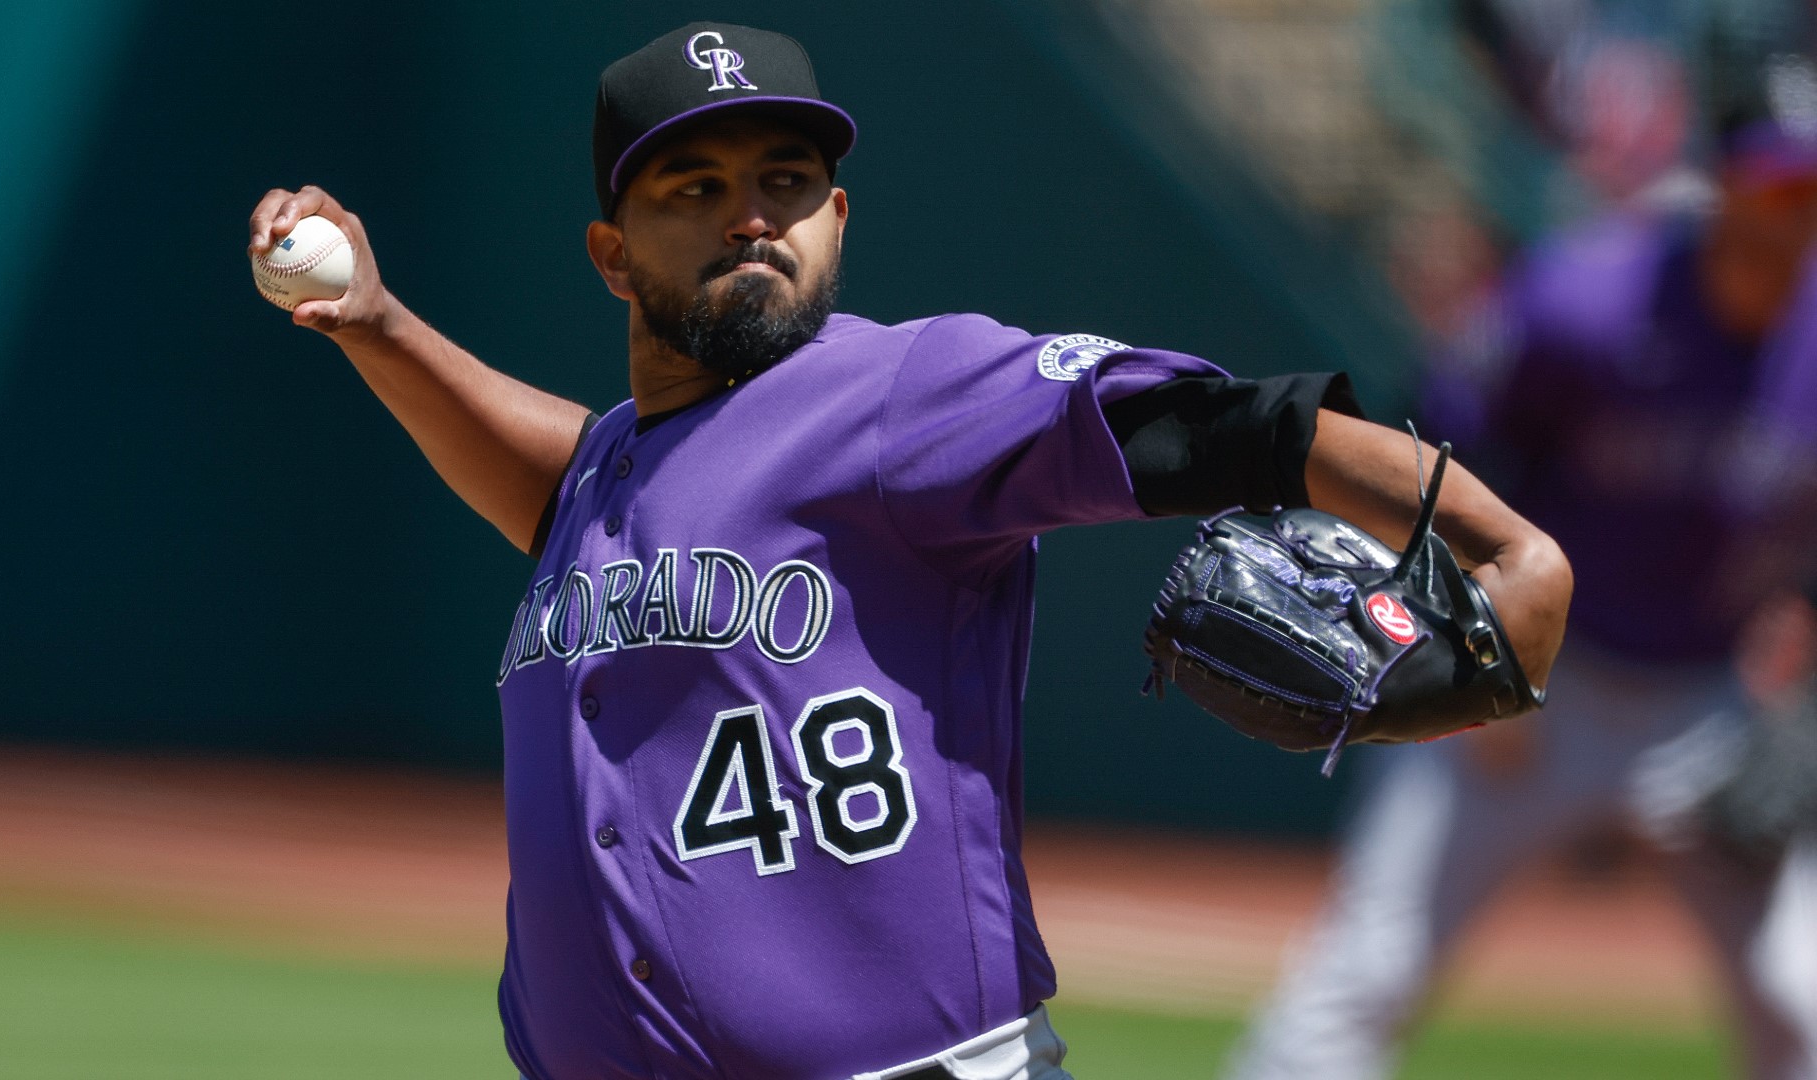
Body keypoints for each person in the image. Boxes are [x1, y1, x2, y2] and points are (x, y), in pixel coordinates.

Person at [246, 24, 1570, 1080]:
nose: (751, 214)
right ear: (611, 255)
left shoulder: (903, 393)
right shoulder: (612, 477)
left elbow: (1225, 430)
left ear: (837, 220)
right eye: (694, 189)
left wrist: (1505, 546)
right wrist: (376, 324)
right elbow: (567, 474)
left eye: (786, 182)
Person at [1224, 116, 1817, 1080]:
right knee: (1369, 969)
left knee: (1801, 996)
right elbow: (1440, 449)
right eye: (1784, 190)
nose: (1800, 218)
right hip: (1531, 677)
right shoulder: (1587, 298)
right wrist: (1459, 646)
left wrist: (1797, 620)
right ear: (1728, 191)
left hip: (1708, 706)